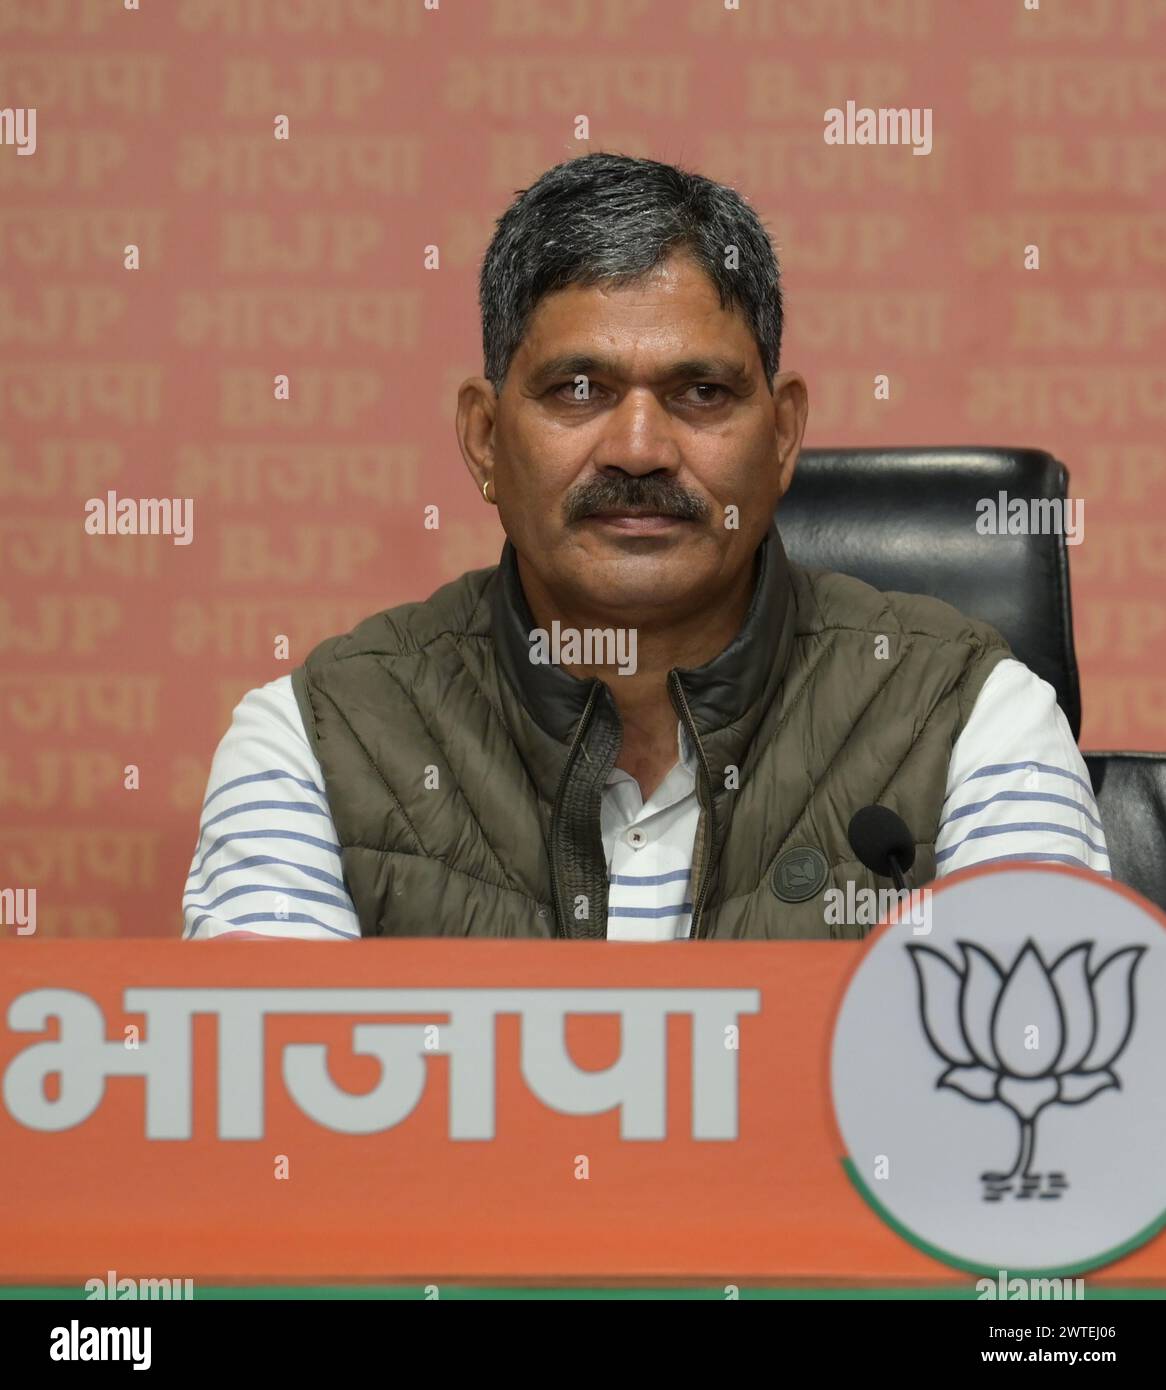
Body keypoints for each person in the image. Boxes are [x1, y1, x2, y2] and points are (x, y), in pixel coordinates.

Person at [182, 153, 1109, 943]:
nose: (638, 449)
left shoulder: (973, 722)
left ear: (783, 436)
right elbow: (275, 1134)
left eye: (701, 391)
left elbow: (1025, 1106)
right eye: (578, 388)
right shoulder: (318, 742)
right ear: (482, 439)